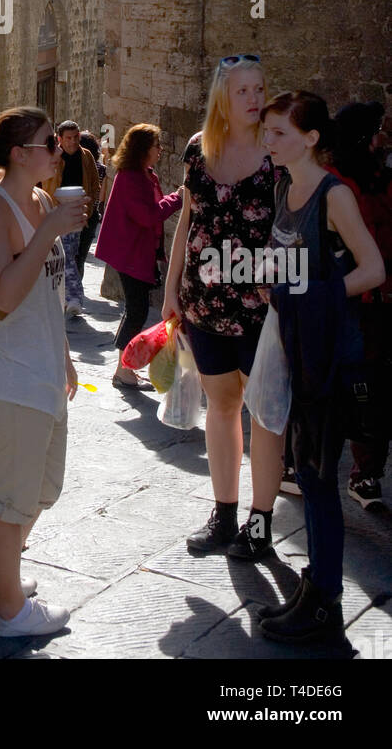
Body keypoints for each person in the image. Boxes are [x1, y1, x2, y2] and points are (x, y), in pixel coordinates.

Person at [257, 92, 384, 646]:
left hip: (330, 357)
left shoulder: (334, 196)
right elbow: (287, 255)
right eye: (267, 131)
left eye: (280, 132)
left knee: (317, 478)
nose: (269, 140)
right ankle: (317, 589)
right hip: (296, 349)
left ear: (310, 139)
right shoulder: (286, 186)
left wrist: (315, 293)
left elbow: (374, 268)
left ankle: (325, 602)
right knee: (306, 474)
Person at [0, 107, 86, 638]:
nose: (59, 152)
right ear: (19, 154)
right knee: (10, 499)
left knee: (42, 489)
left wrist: (63, 356)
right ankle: (10, 612)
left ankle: (1, 583)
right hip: (8, 375)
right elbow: (4, 292)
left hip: (41, 370)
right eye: (49, 143)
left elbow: (46, 293)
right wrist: (51, 232)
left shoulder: (39, 201)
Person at [163, 55, 284, 559]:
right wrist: (171, 289)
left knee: (266, 413)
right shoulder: (198, 150)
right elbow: (188, 222)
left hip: (262, 306)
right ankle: (225, 513)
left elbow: (296, 225)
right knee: (222, 407)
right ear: (223, 98)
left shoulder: (278, 151)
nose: (255, 99)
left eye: (259, 88)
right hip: (205, 302)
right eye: (243, 91)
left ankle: (260, 524)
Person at [329, 100, 392, 510]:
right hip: (349, 299)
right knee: (348, 385)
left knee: (379, 386)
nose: (383, 137)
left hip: (383, 298)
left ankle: (368, 471)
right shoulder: (335, 183)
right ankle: (306, 462)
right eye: (377, 130)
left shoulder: (382, 177)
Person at [94, 124, 183, 388]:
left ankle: (124, 368)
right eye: (157, 145)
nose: (161, 150)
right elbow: (147, 215)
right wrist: (177, 199)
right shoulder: (130, 176)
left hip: (136, 252)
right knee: (136, 311)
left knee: (136, 310)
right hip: (129, 253)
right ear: (144, 149)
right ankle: (123, 370)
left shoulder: (144, 174)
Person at [42, 120, 100, 318]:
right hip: (57, 213)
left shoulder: (86, 156)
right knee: (66, 256)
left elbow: (94, 183)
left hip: (81, 213)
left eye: (76, 137)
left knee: (75, 257)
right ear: (60, 139)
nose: (74, 141)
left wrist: (90, 207)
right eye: (69, 138)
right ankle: (74, 298)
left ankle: (66, 297)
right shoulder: (53, 157)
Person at [77, 130, 108, 280]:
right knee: (81, 256)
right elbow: (101, 195)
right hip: (92, 214)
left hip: (76, 212)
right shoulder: (102, 169)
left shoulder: (74, 164)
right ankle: (77, 285)